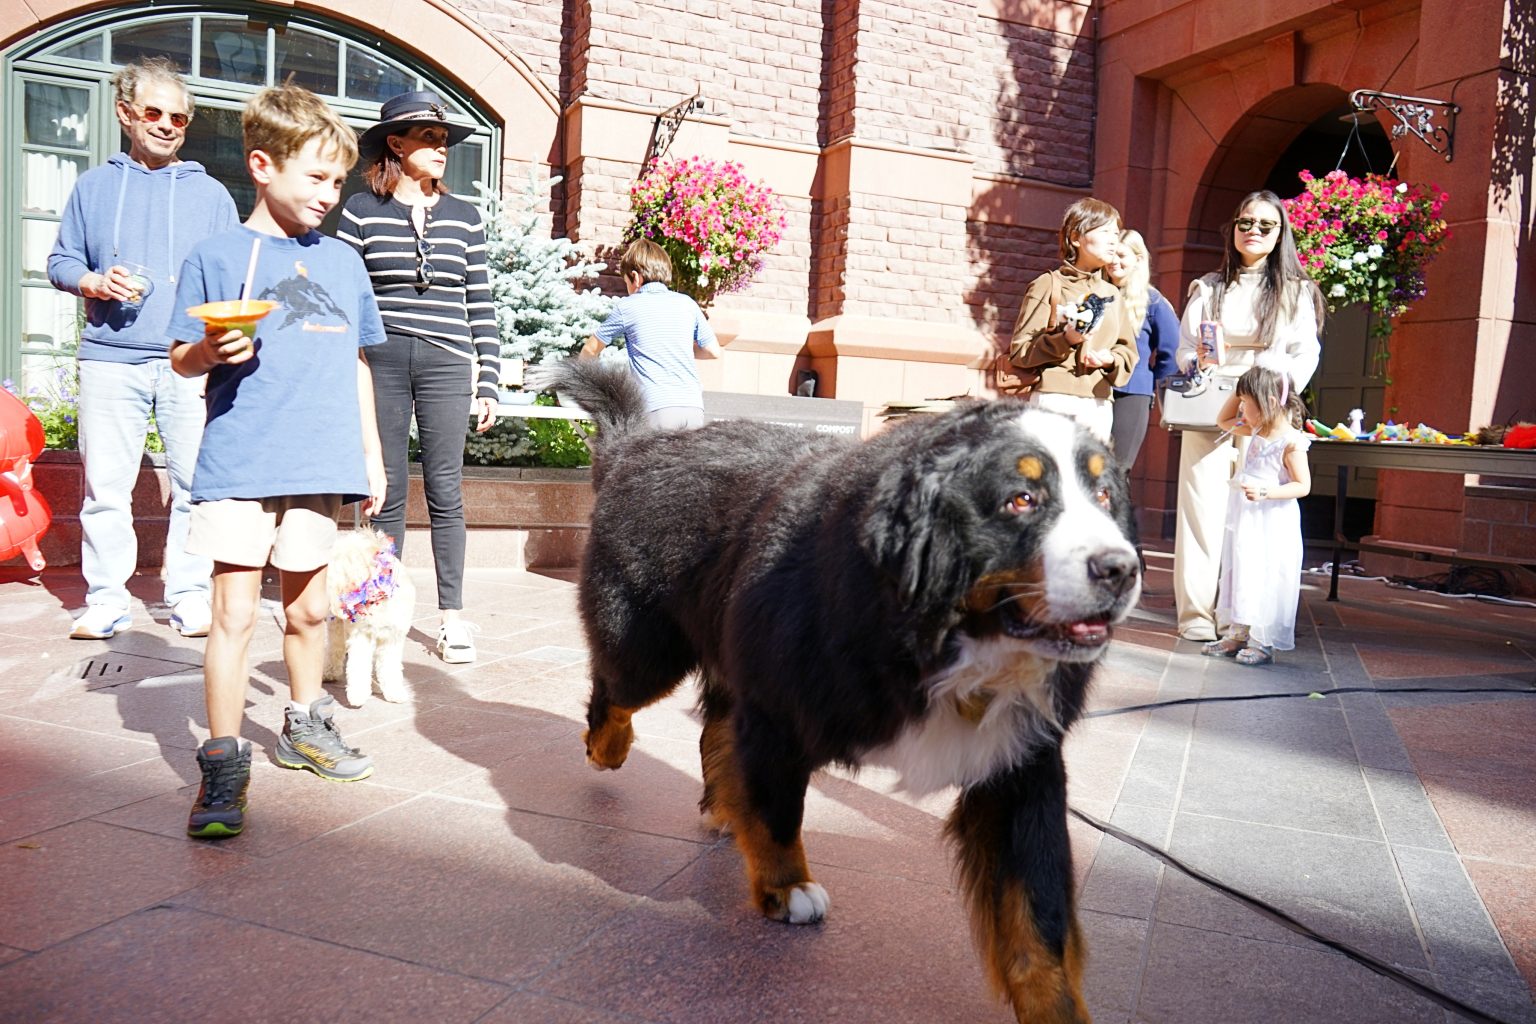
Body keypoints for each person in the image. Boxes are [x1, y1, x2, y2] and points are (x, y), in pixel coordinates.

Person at [168, 84, 387, 839]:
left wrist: (372, 453)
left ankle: (303, 725)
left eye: (339, 180)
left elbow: (357, 361)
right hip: (240, 461)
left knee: (309, 610)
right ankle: (224, 762)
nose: (331, 194)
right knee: (232, 614)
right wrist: (209, 349)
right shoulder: (217, 255)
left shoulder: (345, 263)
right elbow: (179, 360)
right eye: (317, 177)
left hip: (320, 462)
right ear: (263, 165)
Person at [47, 57, 239, 640]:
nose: (166, 125)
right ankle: (106, 599)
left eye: (178, 116)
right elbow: (60, 261)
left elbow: (230, 282)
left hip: (188, 363)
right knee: (105, 488)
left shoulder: (212, 195)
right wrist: (93, 283)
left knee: (194, 486)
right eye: (153, 112)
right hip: (110, 356)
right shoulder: (94, 186)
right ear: (125, 113)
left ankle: (188, 595)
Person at [337, 91, 498, 666]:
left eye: (444, 138)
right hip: (379, 360)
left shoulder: (465, 216)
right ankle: (382, 611)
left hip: (448, 360)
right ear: (395, 145)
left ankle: (451, 618)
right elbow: (342, 295)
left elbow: (480, 300)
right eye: (427, 138)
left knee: (446, 490)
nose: (441, 147)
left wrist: (489, 380)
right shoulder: (360, 210)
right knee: (384, 493)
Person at [1171, 190, 1322, 642]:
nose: (1253, 231)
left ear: (1280, 235)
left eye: (1265, 225)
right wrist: (1194, 358)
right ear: (1233, 229)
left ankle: (1236, 617)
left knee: (1249, 515)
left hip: (1265, 409)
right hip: (1211, 406)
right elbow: (1182, 349)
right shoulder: (1208, 287)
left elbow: (1305, 353)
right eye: (1245, 223)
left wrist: (1268, 394)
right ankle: (1196, 615)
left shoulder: (1296, 292)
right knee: (1199, 512)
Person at [1204, 364, 1312, 665]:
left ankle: (1262, 640)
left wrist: (1266, 492)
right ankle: (1237, 631)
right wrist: (1240, 388)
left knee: (1265, 574)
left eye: (1246, 402)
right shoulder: (1254, 429)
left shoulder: (1291, 442)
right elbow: (1221, 419)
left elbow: (1302, 486)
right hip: (1247, 518)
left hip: (1271, 520)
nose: (1240, 407)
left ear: (1268, 402)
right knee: (1242, 569)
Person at [1007, 197, 1137, 443]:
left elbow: (1127, 351)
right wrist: (1066, 339)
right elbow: (1021, 351)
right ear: (1076, 237)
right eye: (1105, 231)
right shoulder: (1048, 284)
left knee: (1090, 480)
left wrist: (1111, 360)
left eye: (1116, 233)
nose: (1113, 240)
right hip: (1054, 399)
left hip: (1099, 402)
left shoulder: (1112, 294)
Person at [578, 238, 722, 429]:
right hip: (692, 407)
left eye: (626, 282)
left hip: (654, 408)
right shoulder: (687, 303)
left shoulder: (628, 306)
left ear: (635, 278)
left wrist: (586, 382)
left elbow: (590, 349)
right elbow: (713, 351)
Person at [1106, 229, 1180, 467]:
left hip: (1131, 393)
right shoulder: (1097, 294)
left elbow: (1173, 349)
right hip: (1093, 389)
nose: (1114, 261)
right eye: (1111, 255)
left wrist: (1147, 378)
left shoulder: (1153, 301)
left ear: (1138, 259)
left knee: (1117, 468)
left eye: (1121, 255)